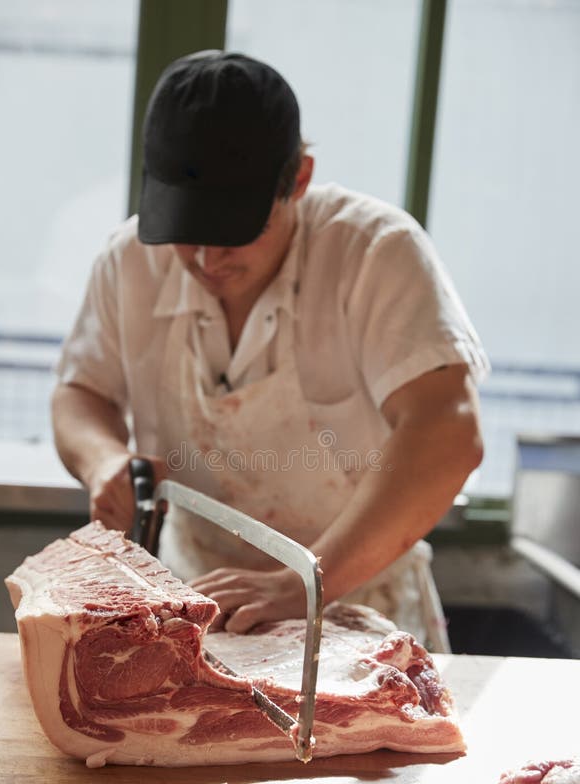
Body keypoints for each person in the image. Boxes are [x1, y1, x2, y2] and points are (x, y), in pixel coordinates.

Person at [52, 50, 489, 640]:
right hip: (193, 601)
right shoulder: (128, 261)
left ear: (300, 178)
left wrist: (303, 580)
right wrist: (102, 459)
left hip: (362, 610)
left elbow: (449, 432)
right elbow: (80, 393)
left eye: (233, 232)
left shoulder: (375, 252)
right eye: (187, 232)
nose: (207, 261)